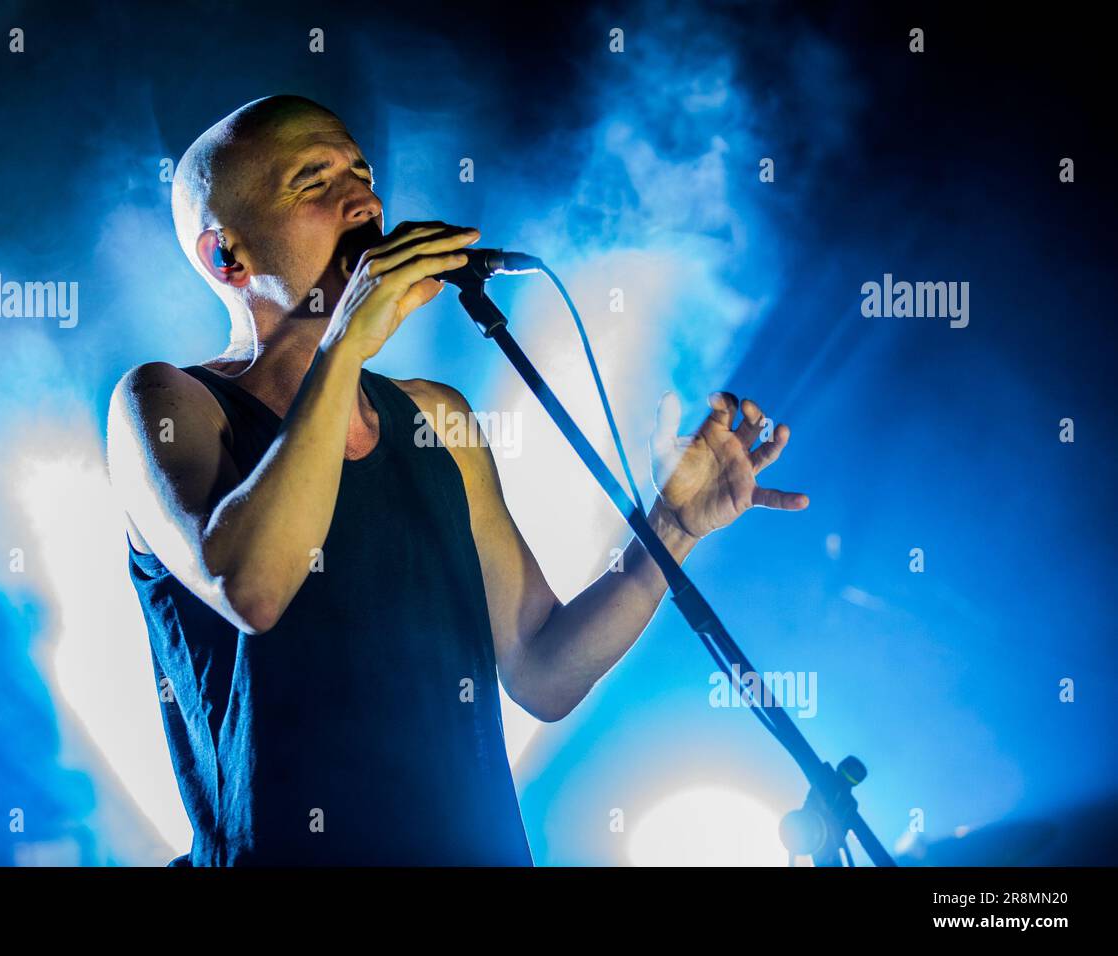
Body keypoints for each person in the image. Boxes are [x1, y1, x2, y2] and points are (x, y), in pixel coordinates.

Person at [106, 94, 808, 865]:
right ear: (226, 257)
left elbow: (542, 669)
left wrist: (671, 528)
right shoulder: (168, 402)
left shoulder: (436, 416)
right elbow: (253, 587)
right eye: (313, 181)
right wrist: (343, 346)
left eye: (362, 173)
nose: (364, 199)